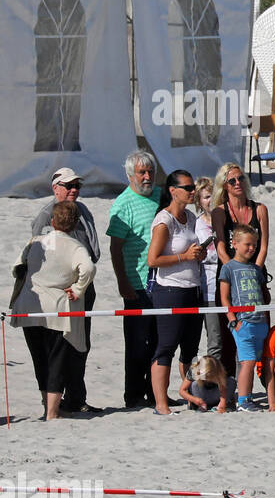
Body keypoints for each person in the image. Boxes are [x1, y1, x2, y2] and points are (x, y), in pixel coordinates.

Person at [9, 201, 95, 421]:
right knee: (56, 360)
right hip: (56, 309)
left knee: (40, 360)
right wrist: (77, 289)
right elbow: (89, 268)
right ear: (75, 224)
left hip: (29, 307)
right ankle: (52, 412)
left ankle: (46, 408)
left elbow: (17, 266)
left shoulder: (36, 241)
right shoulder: (76, 246)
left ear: (52, 221)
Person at [31, 167, 101, 413]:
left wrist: (79, 283)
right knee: (55, 347)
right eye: (68, 185)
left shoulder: (83, 212)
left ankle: (77, 398)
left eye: (77, 186)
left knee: (81, 343)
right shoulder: (45, 215)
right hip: (56, 293)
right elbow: (37, 256)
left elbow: (94, 252)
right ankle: (53, 402)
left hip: (82, 288)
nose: (73, 190)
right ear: (55, 188)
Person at [107, 150, 164, 408]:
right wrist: (122, 282)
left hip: (162, 282)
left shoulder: (160, 195)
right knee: (137, 344)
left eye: (150, 171)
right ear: (131, 175)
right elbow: (115, 248)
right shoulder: (122, 204)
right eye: (142, 172)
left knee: (159, 341)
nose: (147, 176)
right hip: (136, 284)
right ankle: (133, 395)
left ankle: (155, 393)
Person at [147, 169, 206, 415]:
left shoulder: (191, 217)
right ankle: (161, 404)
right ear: (173, 191)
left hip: (193, 288)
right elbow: (153, 260)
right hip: (170, 289)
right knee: (166, 347)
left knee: (190, 348)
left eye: (193, 187)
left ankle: (190, 397)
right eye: (188, 188)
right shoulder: (164, 220)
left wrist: (199, 254)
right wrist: (184, 256)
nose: (193, 191)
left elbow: (194, 251)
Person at [211, 163, 270, 372]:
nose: (238, 183)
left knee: (261, 332)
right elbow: (220, 248)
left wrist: (253, 272)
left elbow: (263, 246)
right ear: (224, 186)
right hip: (229, 276)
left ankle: (265, 384)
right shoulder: (219, 212)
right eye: (232, 181)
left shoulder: (259, 209)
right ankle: (229, 385)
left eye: (241, 178)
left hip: (256, 275)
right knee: (228, 335)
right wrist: (236, 271)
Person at [220, 224, 271, 412]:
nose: (251, 248)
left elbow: (263, 295)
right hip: (243, 322)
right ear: (234, 244)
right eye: (247, 244)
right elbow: (224, 298)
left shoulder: (256, 269)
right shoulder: (229, 268)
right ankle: (243, 400)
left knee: (255, 362)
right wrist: (233, 321)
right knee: (247, 362)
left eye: (254, 245)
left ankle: (249, 396)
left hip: (260, 322)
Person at [191, 176, 222, 360]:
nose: (210, 201)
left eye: (213, 195)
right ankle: (215, 384)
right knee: (215, 339)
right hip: (209, 288)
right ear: (199, 201)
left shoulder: (226, 220)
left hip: (229, 284)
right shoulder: (197, 224)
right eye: (206, 197)